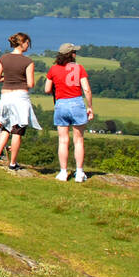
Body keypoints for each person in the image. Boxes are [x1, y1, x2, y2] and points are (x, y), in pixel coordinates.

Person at [0, 32, 40, 170]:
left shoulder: (3, 58)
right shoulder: (28, 62)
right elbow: (31, 84)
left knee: (5, 127)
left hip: (5, 96)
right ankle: (12, 163)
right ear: (22, 43)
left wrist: (8, 77)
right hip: (20, 97)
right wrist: (20, 78)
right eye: (27, 43)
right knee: (17, 130)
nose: (28, 46)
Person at [44, 43, 94, 182]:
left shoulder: (53, 69)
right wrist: (90, 106)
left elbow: (47, 89)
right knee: (78, 140)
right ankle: (79, 173)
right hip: (77, 103)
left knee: (63, 140)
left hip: (61, 104)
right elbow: (87, 89)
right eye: (74, 52)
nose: (76, 54)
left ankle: (63, 172)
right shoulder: (79, 68)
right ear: (71, 54)